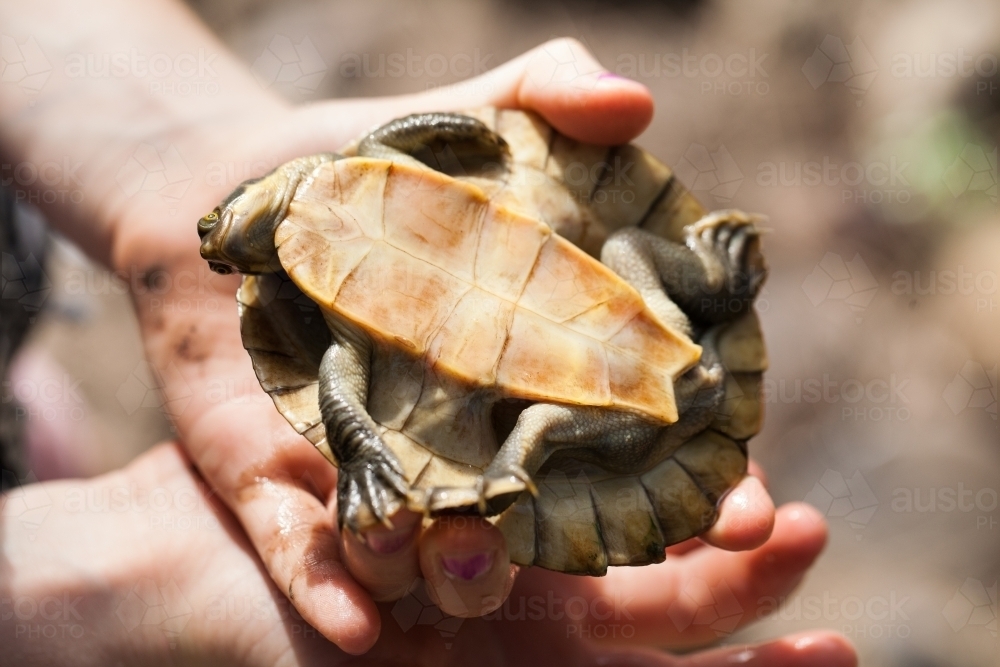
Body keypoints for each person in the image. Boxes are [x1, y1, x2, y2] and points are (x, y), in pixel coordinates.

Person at [0, 0, 856, 663]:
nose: (219, 227)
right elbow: (345, 369)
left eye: (228, 220)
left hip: (593, 320)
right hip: (609, 352)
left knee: (582, 337)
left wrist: (174, 143)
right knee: (619, 276)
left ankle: (619, 372)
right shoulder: (335, 308)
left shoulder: (358, 192)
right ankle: (626, 363)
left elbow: (343, 372)